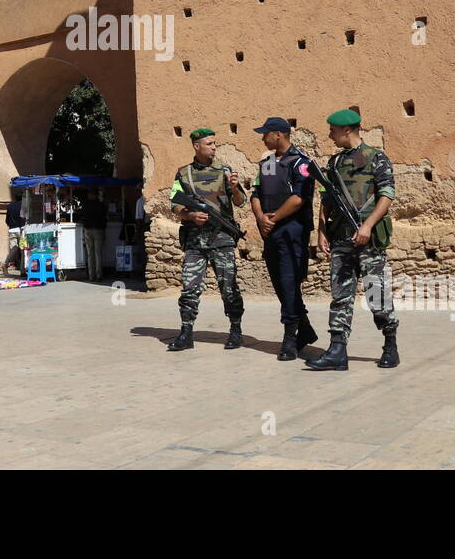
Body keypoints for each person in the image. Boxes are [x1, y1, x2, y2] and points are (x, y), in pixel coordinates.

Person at [306, 109, 400, 371]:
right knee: (340, 295)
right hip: (340, 239)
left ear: (346, 130)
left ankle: (390, 343)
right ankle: (337, 350)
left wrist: (368, 225)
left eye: (332, 130)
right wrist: (321, 230)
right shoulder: (334, 163)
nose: (329, 135)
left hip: (368, 240)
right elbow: (326, 198)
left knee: (376, 294)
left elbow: (387, 194)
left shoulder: (376, 158)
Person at [166, 128, 247, 352]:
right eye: (209, 143)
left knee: (228, 287)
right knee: (189, 288)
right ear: (196, 146)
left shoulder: (225, 170)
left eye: (215, 143)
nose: (213, 147)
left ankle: (236, 330)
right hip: (194, 240)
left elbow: (240, 202)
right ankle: (186, 332)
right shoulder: (183, 174)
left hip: (222, 239)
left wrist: (234, 188)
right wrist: (191, 215)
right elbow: (174, 203)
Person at [250, 117, 319, 360]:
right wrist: (261, 218)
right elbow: (256, 192)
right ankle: (306, 329)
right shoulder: (267, 163)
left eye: (265, 134)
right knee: (280, 284)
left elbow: (299, 198)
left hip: (292, 233)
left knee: (290, 283)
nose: (262, 138)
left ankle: (290, 338)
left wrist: (273, 218)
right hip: (271, 232)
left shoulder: (300, 162)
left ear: (279, 134)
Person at [81, 190, 108, 282]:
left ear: (89, 195)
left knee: (90, 254)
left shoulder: (85, 205)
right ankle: (99, 275)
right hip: (98, 230)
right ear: (96, 195)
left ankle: (91, 276)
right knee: (98, 253)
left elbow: (82, 216)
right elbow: (104, 217)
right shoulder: (100, 205)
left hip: (88, 230)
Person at [3, 196, 26, 276]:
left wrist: (11, 225)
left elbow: (7, 220)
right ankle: (22, 271)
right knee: (23, 250)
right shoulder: (23, 205)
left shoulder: (10, 206)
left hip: (12, 229)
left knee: (13, 249)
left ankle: (5, 264)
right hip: (21, 229)